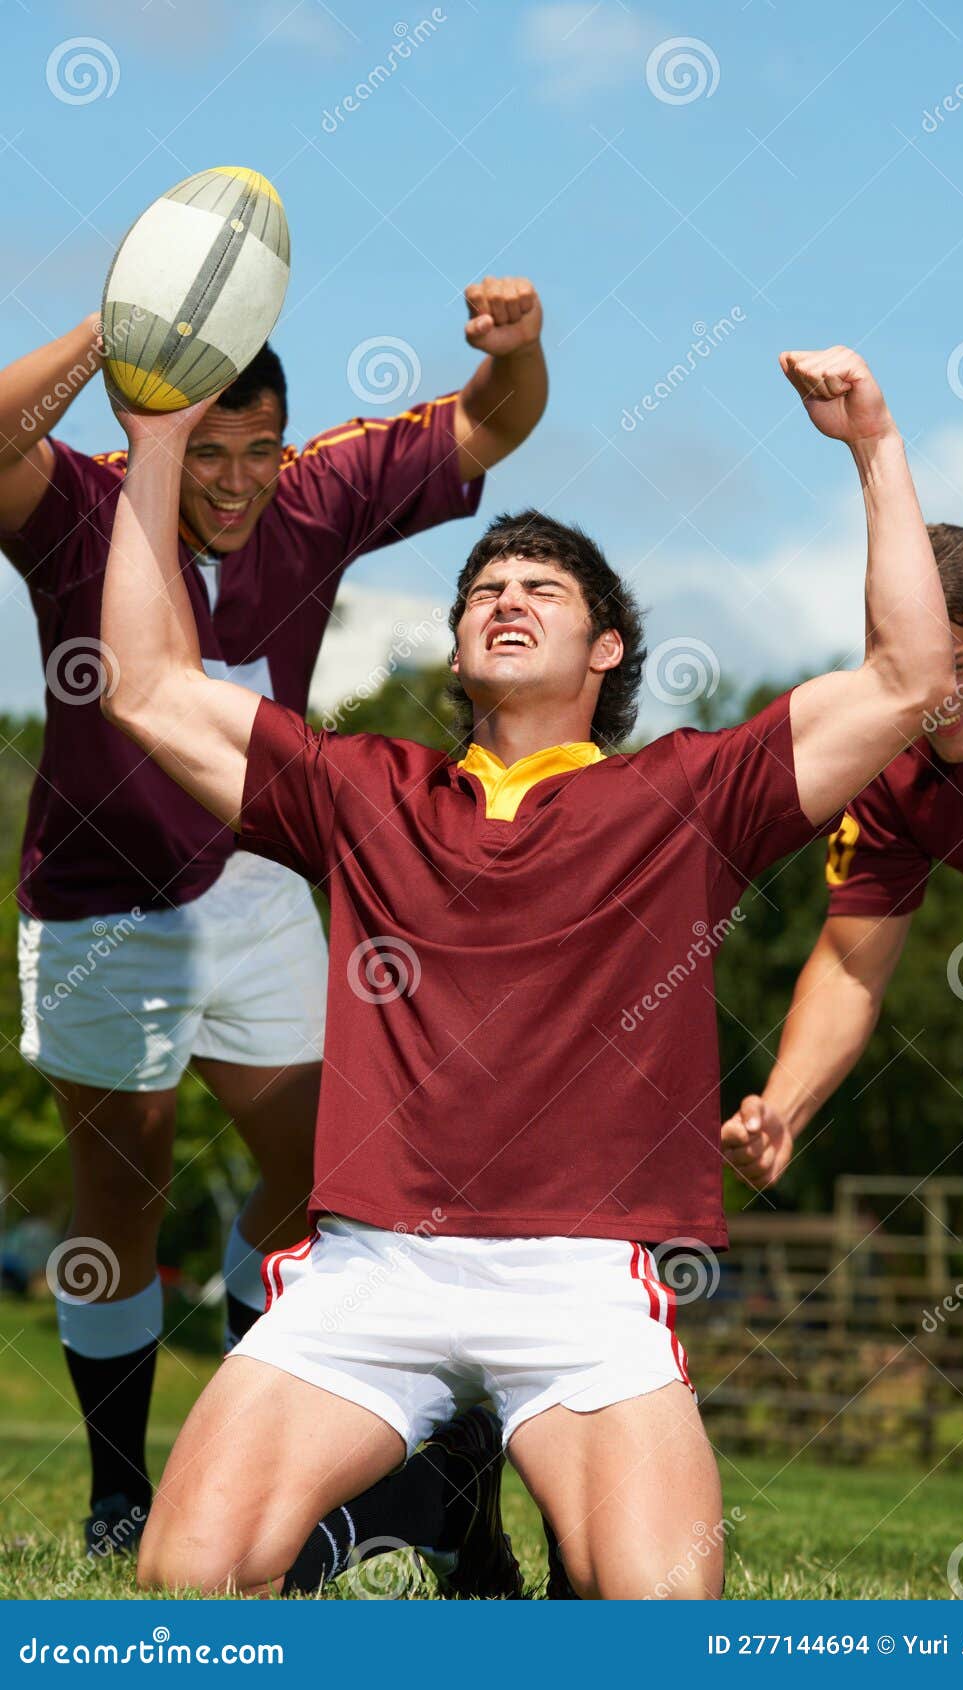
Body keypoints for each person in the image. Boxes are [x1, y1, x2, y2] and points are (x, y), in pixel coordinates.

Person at [98, 344, 951, 1599]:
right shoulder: (363, 788)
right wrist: (158, 441)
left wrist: (872, 445)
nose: (504, 596)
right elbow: (146, 684)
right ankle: (447, 1492)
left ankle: (471, 1494)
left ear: (606, 651)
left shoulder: (688, 795)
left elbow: (907, 680)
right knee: (190, 1580)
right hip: (373, 1268)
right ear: (452, 649)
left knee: (657, 1616)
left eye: (541, 588)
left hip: (577, 1280)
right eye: (482, 587)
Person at [0, 277, 547, 1561]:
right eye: (207, 451)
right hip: (97, 907)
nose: (236, 483)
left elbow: (494, 422)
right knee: (119, 1203)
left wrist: (520, 350)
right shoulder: (85, 503)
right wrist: (115, 336)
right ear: (163, 433)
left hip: (253, 889)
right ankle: (118, 1488)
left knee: (325, 1180)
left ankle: (262, 1463)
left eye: (258, 449)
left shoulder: (319, 495)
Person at [722, 525, 963, 1601]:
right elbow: (850, 963)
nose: (935, 695)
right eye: (912, 666)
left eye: (955, 660)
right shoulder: (893, 764)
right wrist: (780, 1107)